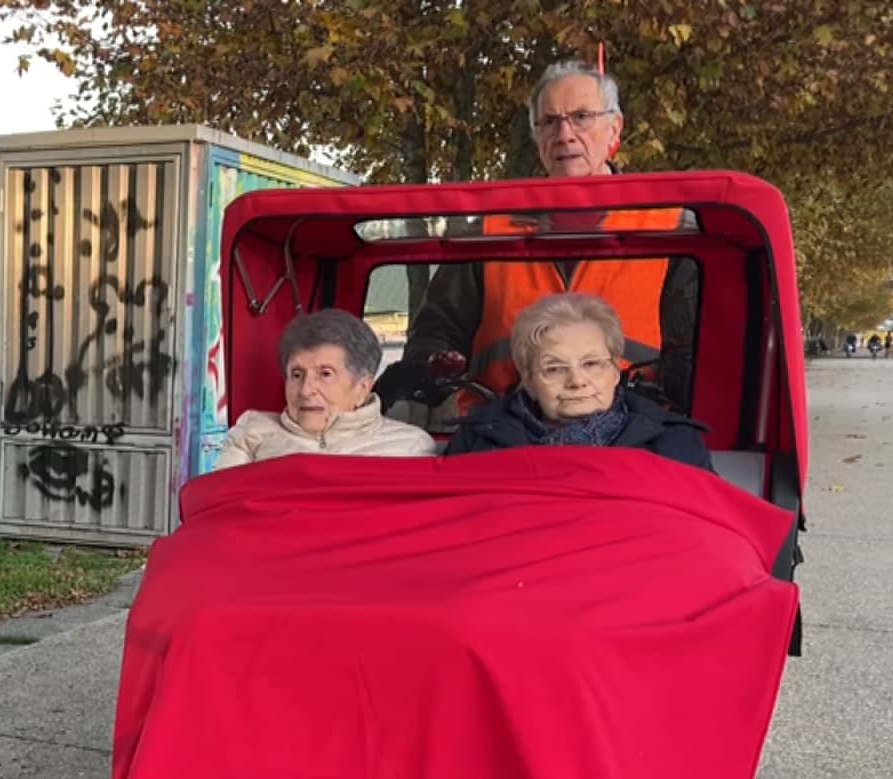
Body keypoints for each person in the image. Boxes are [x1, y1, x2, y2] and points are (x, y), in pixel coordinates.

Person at [377, 59, 699, 412]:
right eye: (550, 122)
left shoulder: (669, 228)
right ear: (537, 135)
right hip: (501, 434)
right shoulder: (487, 232)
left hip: (629, 435)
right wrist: (435, 373)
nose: (565, 135)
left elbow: (695, 354)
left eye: (581, 117)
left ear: (614, 128)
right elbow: (436, 332)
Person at [443, 293, 714, 472]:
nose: (576, 381)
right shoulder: (477, 440)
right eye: (555, 368)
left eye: (591, 364)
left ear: (615, 371)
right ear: (529, 380)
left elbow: (705, 532)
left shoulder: (676, 442)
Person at [213, 309, 436, 469]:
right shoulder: (251, 432)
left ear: (362, 388)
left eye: (325, 374)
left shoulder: (409, 448)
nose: (305, 390)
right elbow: (219, 514)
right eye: (297, 375)